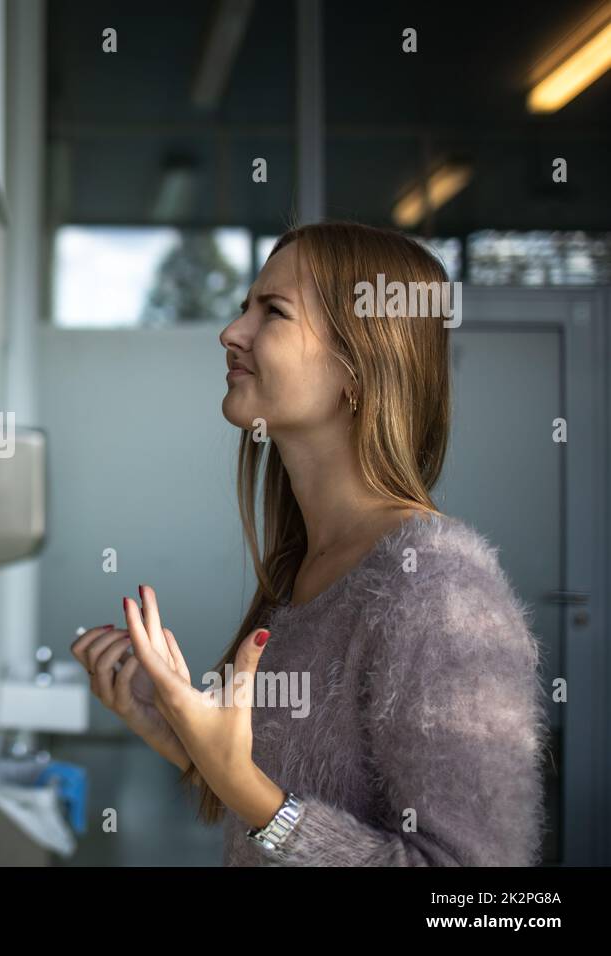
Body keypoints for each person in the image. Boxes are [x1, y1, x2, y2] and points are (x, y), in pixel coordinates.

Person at [71, 221, 551, 865]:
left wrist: (244, 786)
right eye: (245, 306)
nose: (231, 333)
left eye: (273, 312)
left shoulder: (439, 586)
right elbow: (307, 793)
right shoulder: (306, 567)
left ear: (358, 368)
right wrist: (180, 733)